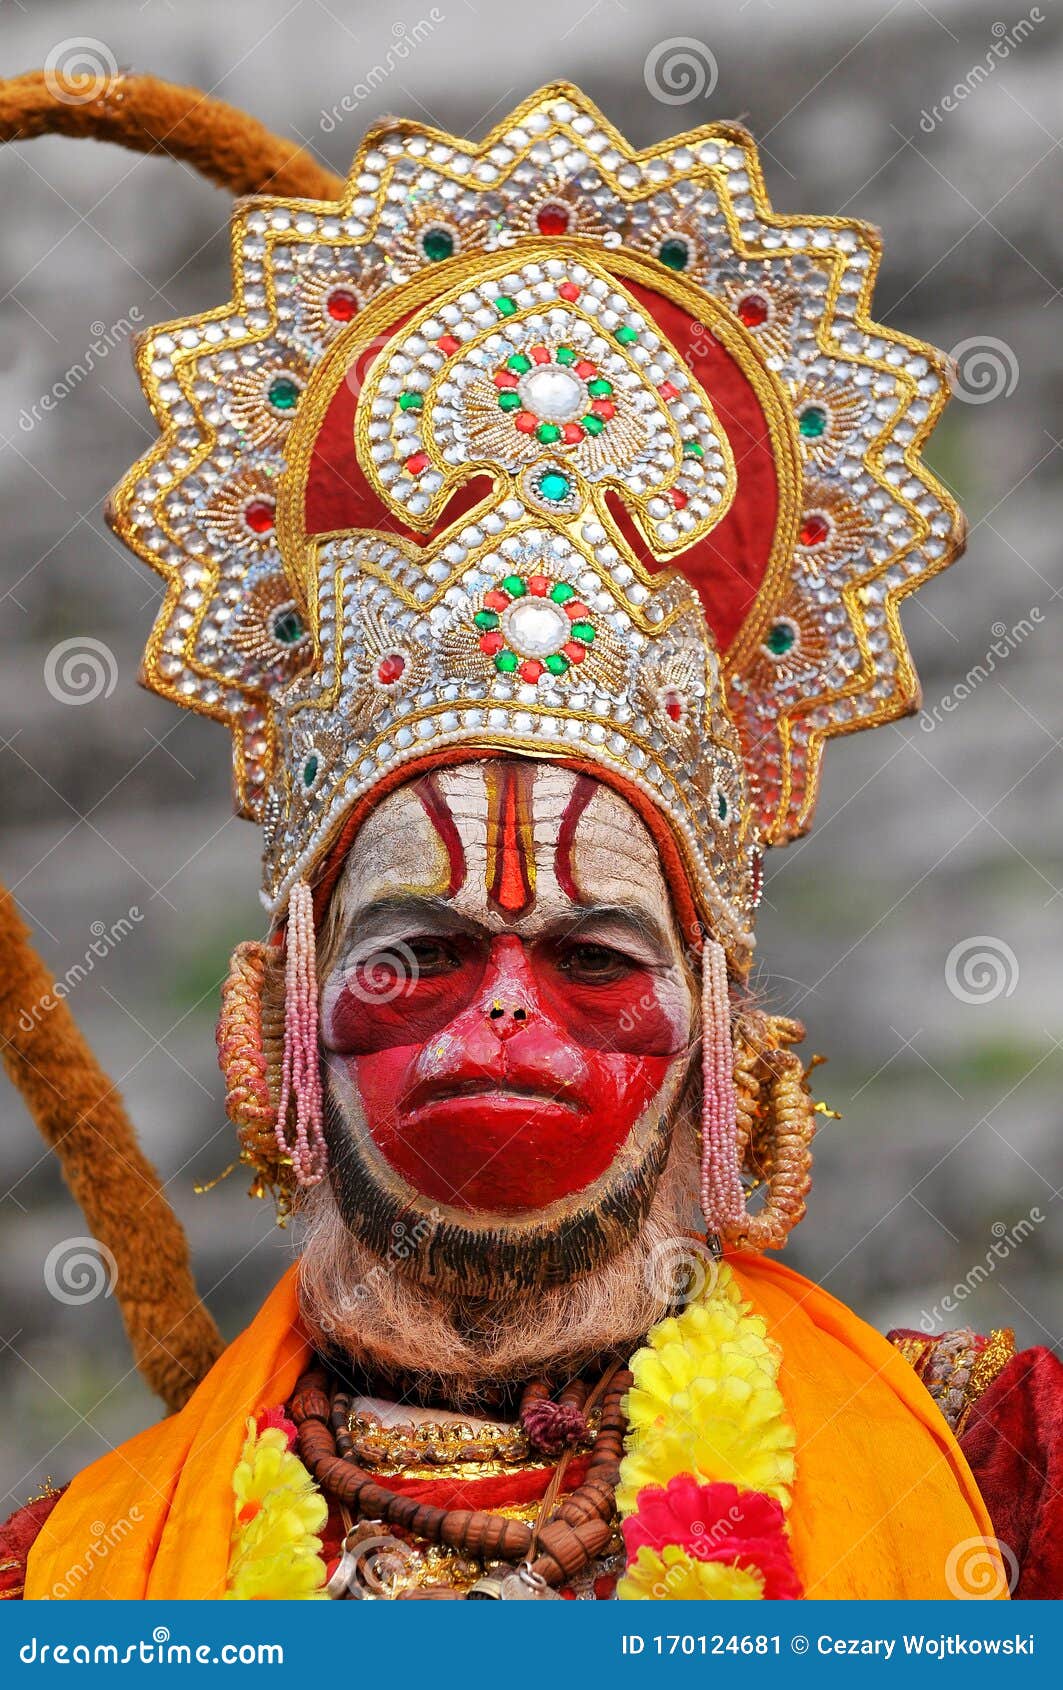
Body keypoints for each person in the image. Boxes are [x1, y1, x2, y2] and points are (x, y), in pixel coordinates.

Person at [1, 80, 1059, 1603]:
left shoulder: (1005, 1476)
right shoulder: (71, 1580)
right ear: (273, 1023)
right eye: (418, 952)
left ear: (725, 1037)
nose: (505, 1003)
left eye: (591, 956)